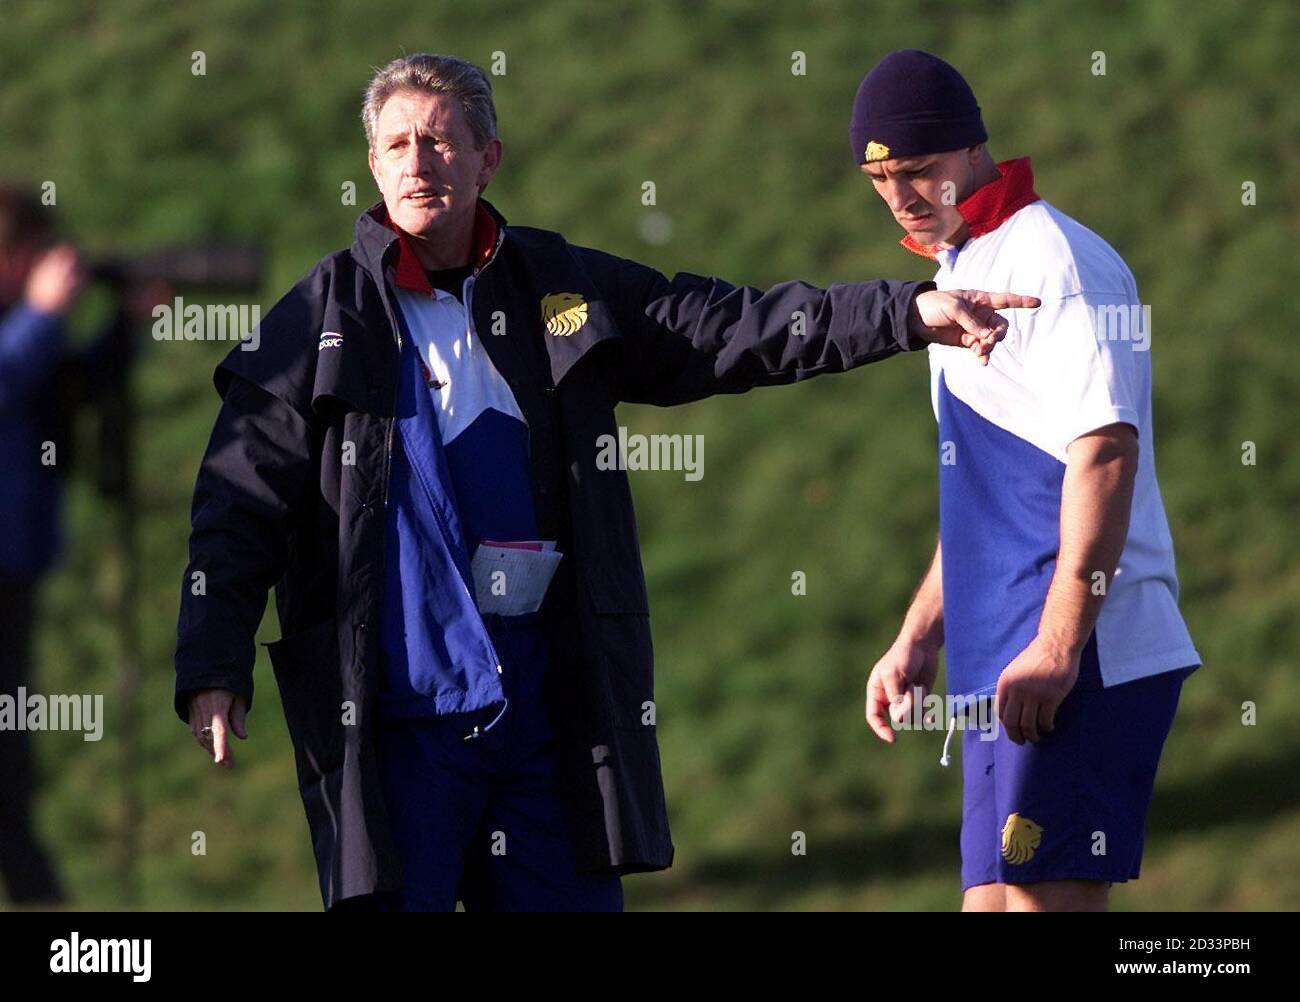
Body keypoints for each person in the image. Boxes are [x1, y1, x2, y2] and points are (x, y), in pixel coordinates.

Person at [174, 52, 1038, 912]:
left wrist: (904, 313)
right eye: (396, 144)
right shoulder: (320, 319)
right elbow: (238, 498)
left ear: (488, 158)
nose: (417, 161)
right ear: (371, 165)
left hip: (548, 718)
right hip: (398, 726)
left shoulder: (561, 286)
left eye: (440, 142)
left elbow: (726, 326)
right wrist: (215, 658)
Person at [856, 50, 1200, 912]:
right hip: (997, 659)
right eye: (881, 178)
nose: (901, 196)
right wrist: (919, 633)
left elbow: (1104, 452)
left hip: (1087, 652)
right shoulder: (958, 273)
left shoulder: (1057, 260)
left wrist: (1057, 646)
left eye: (919, 171)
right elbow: (989, 489)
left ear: (972, 151)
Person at [0, 184, 88, 905]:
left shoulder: (24, 326)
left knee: (10, 765)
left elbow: (69, 391)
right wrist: (40, 315)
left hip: (13, 571)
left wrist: (126, 325)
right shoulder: (24, 325)